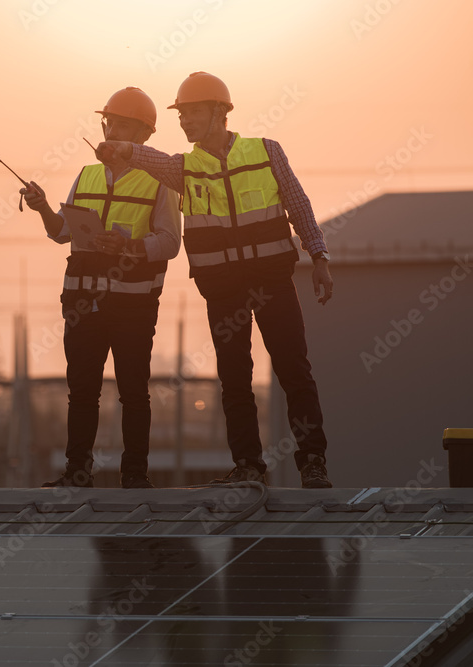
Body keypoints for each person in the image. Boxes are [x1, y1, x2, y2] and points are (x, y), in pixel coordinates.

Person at [96, 72, 334, 489]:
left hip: (272, 281)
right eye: (181, 116)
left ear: (220, 112)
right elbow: (153, 161)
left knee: (294, 370)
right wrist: (123, 148)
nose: (185, 122)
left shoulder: (265, 152)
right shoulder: (184, 168)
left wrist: (319, 255)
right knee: (235, 379)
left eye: (192, 113)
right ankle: (248, 466)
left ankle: (312, 461)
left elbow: (298, 202)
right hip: (223, 289)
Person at [21, 87, 181, 489]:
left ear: (144, 135)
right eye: (110, 123)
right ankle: (77, 473)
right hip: (83, 302)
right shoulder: (87, 174)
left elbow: (170, 242)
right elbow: (62, 232)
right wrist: (42, 207)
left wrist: (129, 246)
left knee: (133, 392)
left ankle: (134, 476)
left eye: (123, 126)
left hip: (133, 306)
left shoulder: (160, 181)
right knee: (82, 391)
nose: (111, 131)